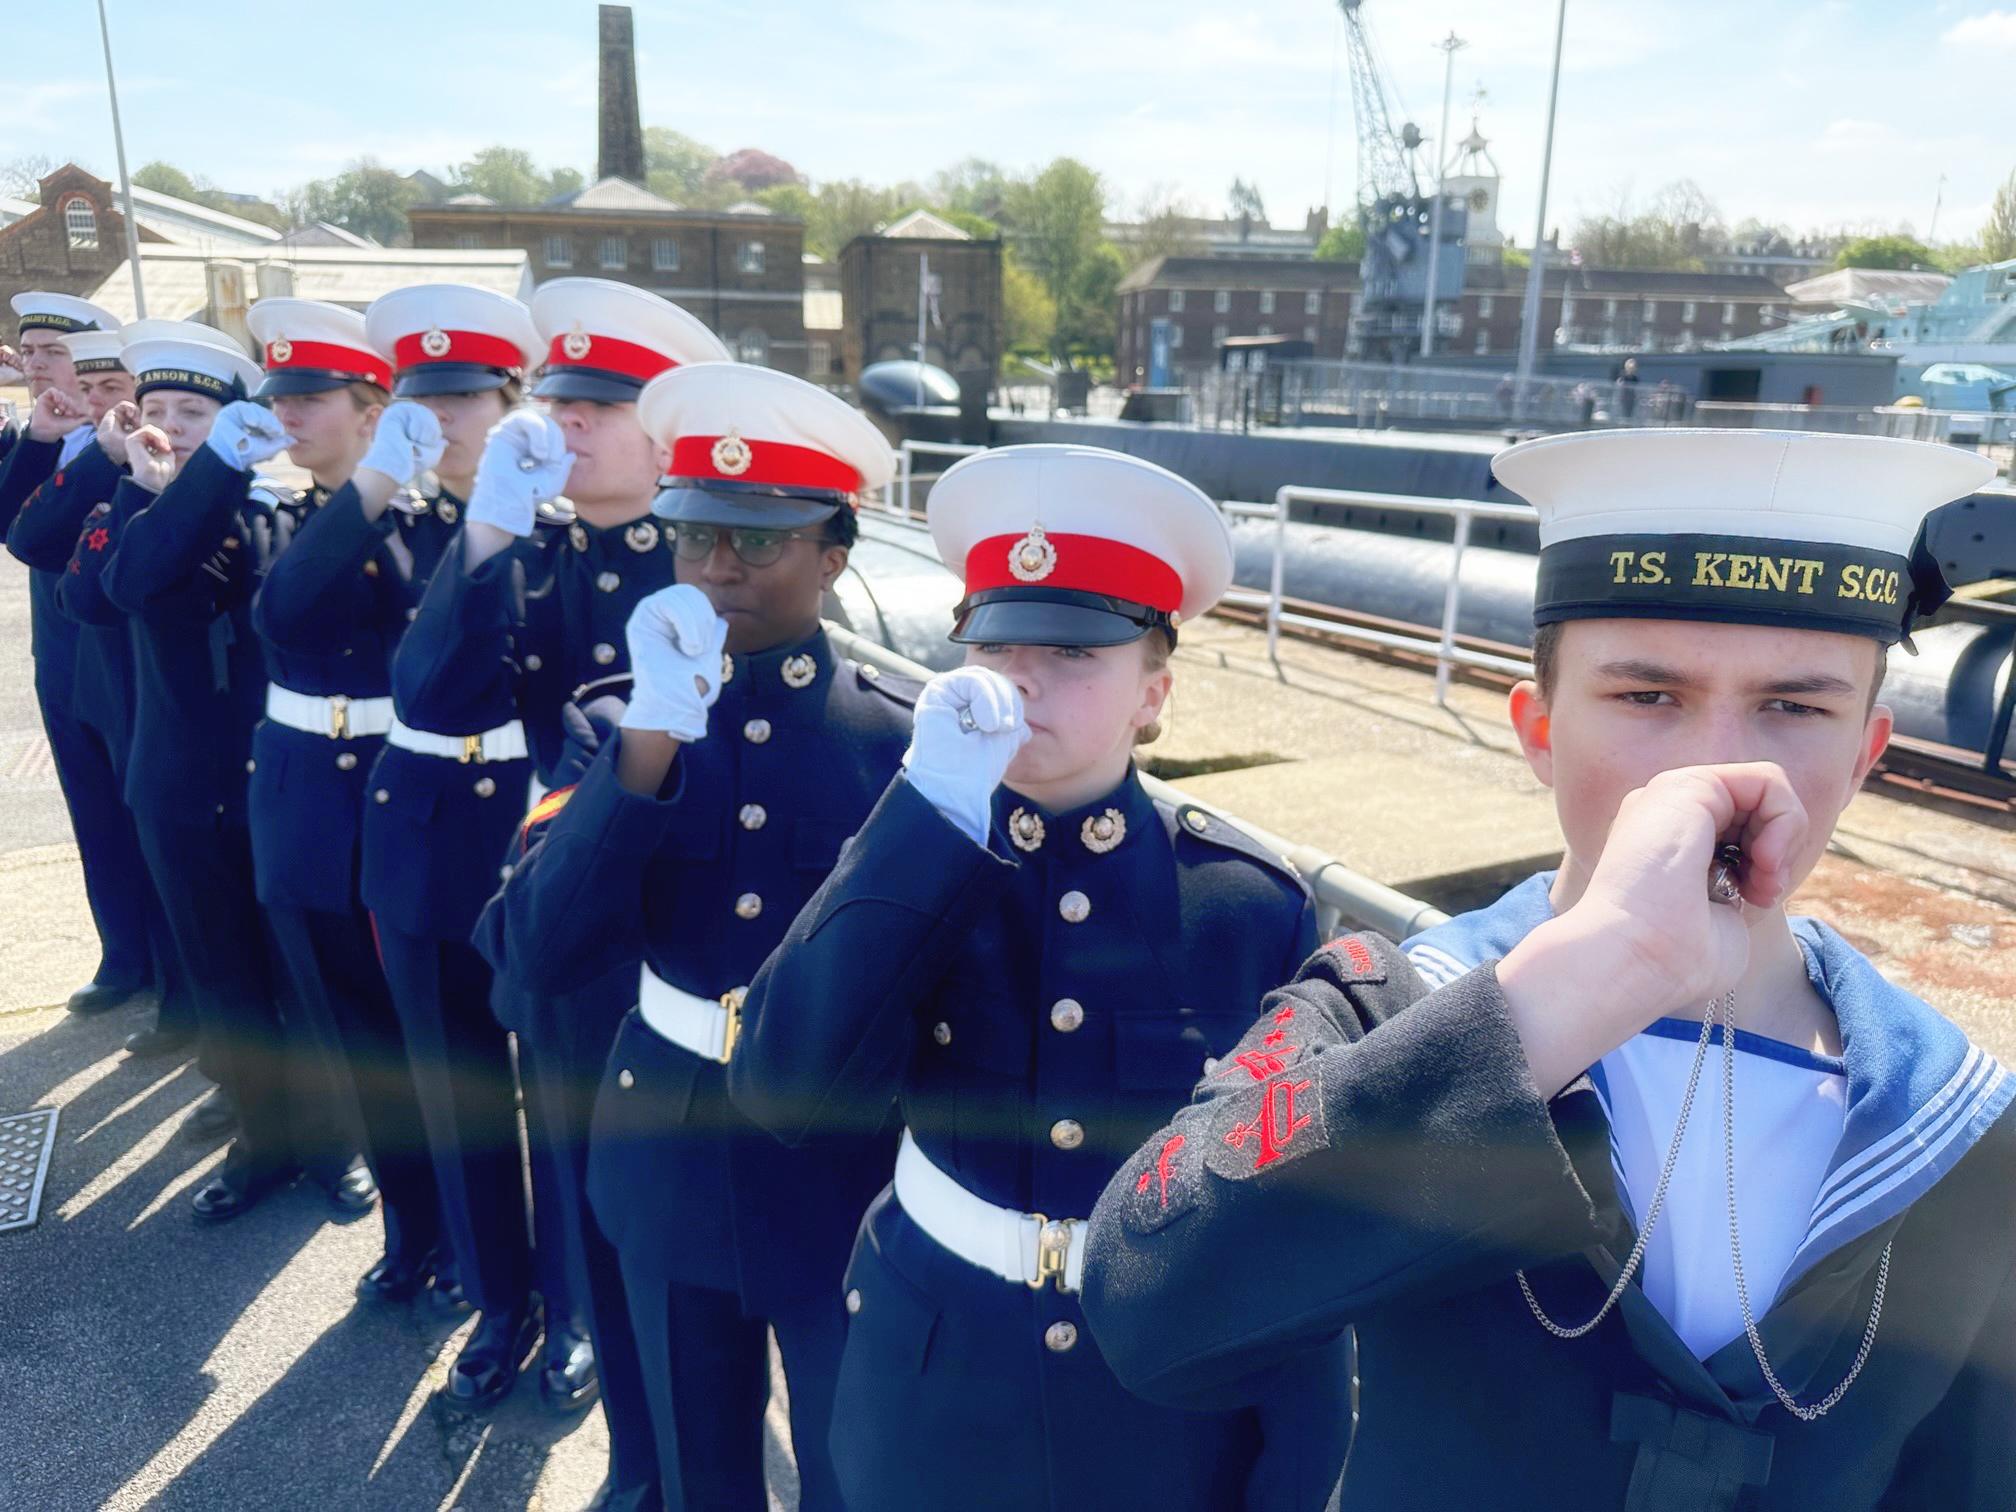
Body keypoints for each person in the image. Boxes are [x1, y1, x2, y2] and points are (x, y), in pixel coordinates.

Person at [1079, 429, 2016, 1511]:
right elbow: (1146, 1296)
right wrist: (1565, 997)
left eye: (1795, 707)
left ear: (1864, 755)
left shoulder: (1960, 1124)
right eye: (1646, 697)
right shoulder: (1387, 1006)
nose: (1714, 767)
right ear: (1538, 731)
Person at [729, 444, 1349, 1511]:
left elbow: (1292, 1230)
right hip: (932, 1360)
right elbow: (780, 1078)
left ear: (1153, 692)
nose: (1021, 679)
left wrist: (1293, 1470)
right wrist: (925, 814)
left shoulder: (1250, 905)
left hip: (1152, 1395)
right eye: (997, 645)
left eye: (1073, 651)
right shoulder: (909, 848)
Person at [475, 361, 913, 1512]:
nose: (719, 568)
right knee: (692, 1472)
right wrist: (653, 743)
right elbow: (535, 956)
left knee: (846, 1471)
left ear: (833, 553)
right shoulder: (616, 724)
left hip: (837, 1160)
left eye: (759, 542)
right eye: (697, 537)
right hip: (666, 1142)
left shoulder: (902, 750)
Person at [390, 279, 728, 1429]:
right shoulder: (534, 558)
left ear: (665, 432)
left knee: (663, 1178)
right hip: (569, 893)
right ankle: (553, 1315)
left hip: (687, 918)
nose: (566, 424)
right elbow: (431, 688)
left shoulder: (721, 564)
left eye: (602, 406)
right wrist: (489, 519)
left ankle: (635, 1364)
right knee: (562, 1119)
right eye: (558, 401)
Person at [65, 322, 313, 1220]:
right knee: (223, 975)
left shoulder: (276, 511)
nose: (169, 427)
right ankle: (263, 1140)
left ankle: (330, 1138)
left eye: (195, 412)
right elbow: (103, 591)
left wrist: (210, 483)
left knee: (302, 977)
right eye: (156, 409)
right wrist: (139, 482)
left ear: (237, 424)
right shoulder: (133, 509)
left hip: (273, 788)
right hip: (173, 787)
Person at [355, 283, 547, 1394]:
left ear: (510, 400)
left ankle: (571, 1302)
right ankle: (497, 1296)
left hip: (544, 836)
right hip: (429, 837)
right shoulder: (389, 523)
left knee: (565, 1096)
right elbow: (418, 682)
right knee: (457, 1084)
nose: (444, 424)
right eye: (420, 402)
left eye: (465, 399)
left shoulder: (579, 527)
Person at [243, 297, 446, 1299]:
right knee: (361, 1043)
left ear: (373, 409)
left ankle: (481, 1231)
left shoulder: (434, 526)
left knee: (441, 1040)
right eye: (280, 393)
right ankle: (412, 1231)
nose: (289, 412)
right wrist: (365, 490)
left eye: (312, 395)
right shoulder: (272, 516)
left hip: (405, 803)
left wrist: (391, 493)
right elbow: (284, 607)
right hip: (306, 815)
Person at [6, 326, 198, 1061]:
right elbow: (23, 533)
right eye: (89, 390)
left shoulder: (165, 465)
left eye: (111, 390)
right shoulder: (77, 448)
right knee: (100, 813)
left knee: (167, 833)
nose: (97, 404)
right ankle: (130, 956)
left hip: (143, 674)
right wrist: (58, 446)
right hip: (77, 665)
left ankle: (192, 991)